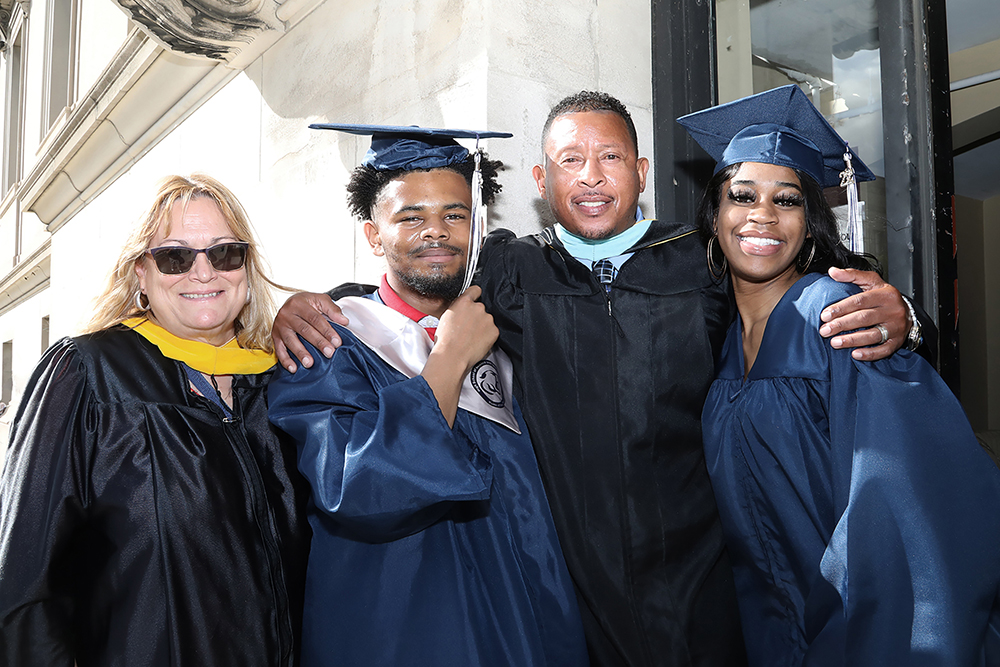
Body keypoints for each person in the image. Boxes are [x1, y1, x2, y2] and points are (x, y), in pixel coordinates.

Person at [271, 92, 918, 666]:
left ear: (639, 173)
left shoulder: (703, 257)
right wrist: (305, 305)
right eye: (569, 159)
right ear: (542, 180)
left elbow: (789, 302)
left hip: (703, 575)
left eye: (609, 157)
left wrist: (903, 316)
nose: (590, 176)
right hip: (583, 595)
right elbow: (411, 293)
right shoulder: (509, 270)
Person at [680, 84, 1000, 665]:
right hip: (775, 635)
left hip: (864, 636)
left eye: (788, 200)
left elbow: (903, 515)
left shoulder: (837, 318)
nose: (762, 216)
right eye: (742, 196)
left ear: (811, 221)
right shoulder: (724, 344)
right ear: (714, 214)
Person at [267, 125, 588, 667]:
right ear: (373, 236)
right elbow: (358, 488)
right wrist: (449, 359)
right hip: (401, 630)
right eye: (410, 216)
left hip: (517, 625)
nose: (436, 232)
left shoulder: (507, 334)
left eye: (454, 214)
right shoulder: (327, 347)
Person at [0, 174, 310, 666]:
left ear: (246, 270)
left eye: (225, 253)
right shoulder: (90, 376)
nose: (203, 273)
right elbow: (26, 578)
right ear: (141, 274)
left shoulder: (280, 385)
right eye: (174, 256)